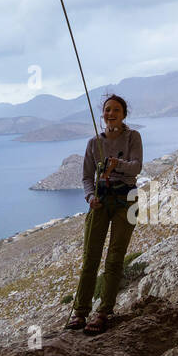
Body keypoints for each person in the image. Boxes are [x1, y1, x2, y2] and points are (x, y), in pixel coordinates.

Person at [65, 94, 143, 334]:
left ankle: (103, 312)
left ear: (124, 114)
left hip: (126, 201)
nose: (111, 114)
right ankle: (80, 312)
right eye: (108, 110)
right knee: (90, 257)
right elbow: (87, 177)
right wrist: (90, 197)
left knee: (115, 257)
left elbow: (137, 166)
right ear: (103, 114)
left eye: (116, 110)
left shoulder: (133, 137)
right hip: (100, 202)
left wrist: (115, 165)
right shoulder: (93, 144)